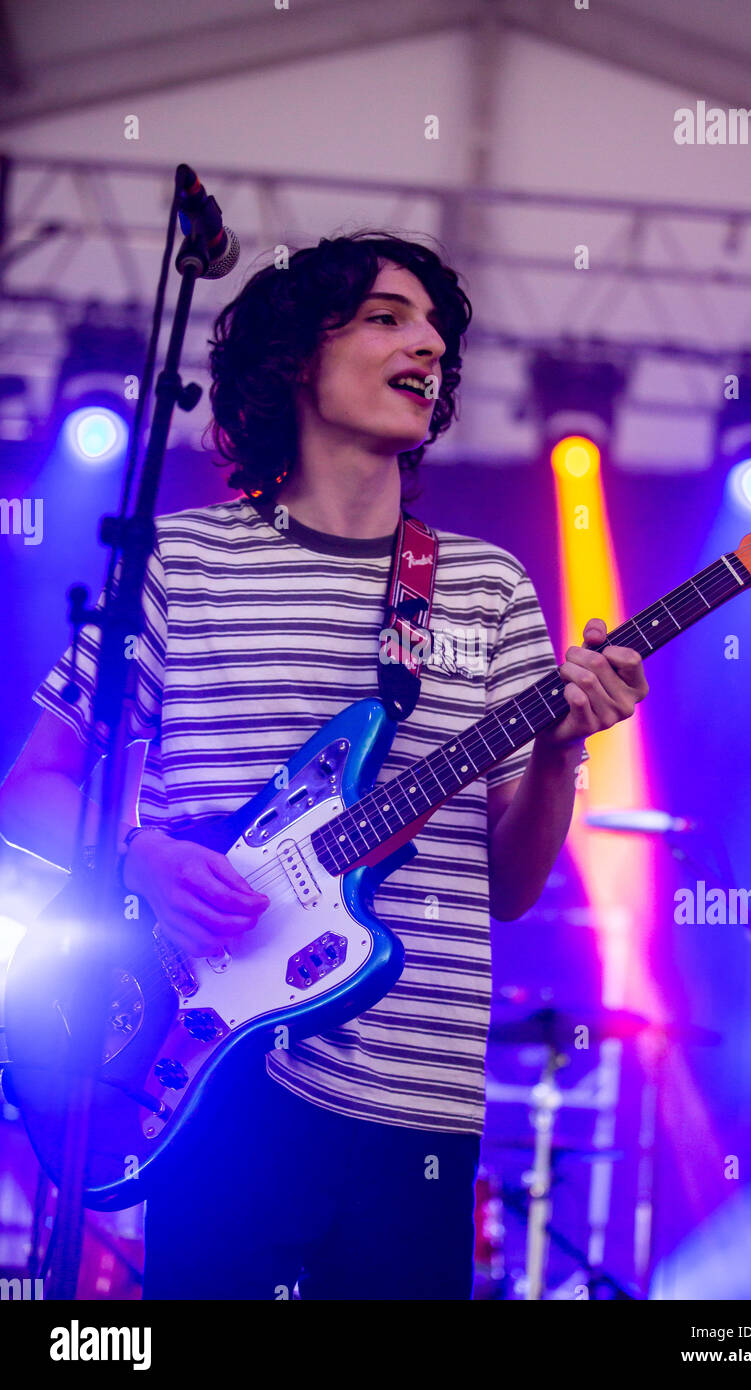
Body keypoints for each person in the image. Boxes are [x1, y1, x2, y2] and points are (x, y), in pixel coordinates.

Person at [0, 232, 648, 1300]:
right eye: (389, 318)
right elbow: (32, 784)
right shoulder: (182, 561)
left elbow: (511, 886)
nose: (428, 344)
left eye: (438, 327)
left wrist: (560, 749)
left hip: (419, 1099)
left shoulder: (485, 587)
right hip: (213, 1076)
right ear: (300, 355)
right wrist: (139, 857)